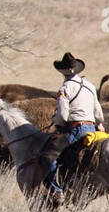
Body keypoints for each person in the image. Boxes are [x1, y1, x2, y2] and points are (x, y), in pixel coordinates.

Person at [39, 52, 104, 194]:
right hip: (91, 128)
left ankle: (55, 189)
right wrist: (99, 124)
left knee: (48, 155)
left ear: (62, 71)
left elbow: (63, 115)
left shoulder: (65, 89)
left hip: (75, 129)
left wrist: (57, 122)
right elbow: (98, 112)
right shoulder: (90, 86)